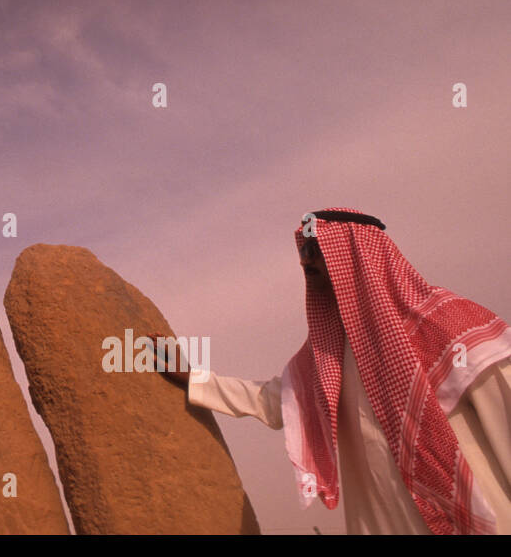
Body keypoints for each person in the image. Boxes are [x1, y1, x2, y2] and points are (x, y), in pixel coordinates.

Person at [161, 208, 511, 534]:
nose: (304, 260)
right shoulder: (326, 353)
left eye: (315, 249)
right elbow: (273, 401)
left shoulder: (449, 324)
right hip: (385, 519)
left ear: (356, 253)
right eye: (304, 250)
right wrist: (194, 379)